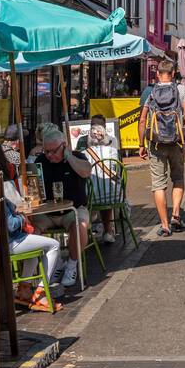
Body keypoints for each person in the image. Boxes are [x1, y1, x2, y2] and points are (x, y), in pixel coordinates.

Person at [0, 150, 60, 312]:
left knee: (36, 239)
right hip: (8, 243)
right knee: (54, 245)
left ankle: (24, 289)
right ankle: (41, 292)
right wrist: (21, 218)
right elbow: (10, 224)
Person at [138, 59, 185, 236]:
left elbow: (142, 120)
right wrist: (182, 137)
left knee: (158, 185)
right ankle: (176, 215)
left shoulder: (149, 91)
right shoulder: (181, 90)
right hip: (176, 142)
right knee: (177, 178)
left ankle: (164, 225)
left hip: (155, 143)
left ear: (157, 74)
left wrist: (141, 144)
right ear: (174, 73)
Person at [32, 124, 92, 287]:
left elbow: (86, 172)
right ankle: (55, 263)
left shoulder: (77, 156)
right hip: (47, 212)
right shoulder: (41, 160)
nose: (49, 155)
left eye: (53, 151)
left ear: (64, 146)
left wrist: (69, 157)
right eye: (46, 151)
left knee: (80, 226)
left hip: (73, 210)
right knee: (29, 228)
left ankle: (72, 265)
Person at [76, 115, 122, 245]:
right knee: (107, 188)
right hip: (111, 194)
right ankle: (107, 231)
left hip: (90, 193)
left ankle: (88, 228)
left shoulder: (84, 145)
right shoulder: (112, 144)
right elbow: (117, 167)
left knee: (93, 190)